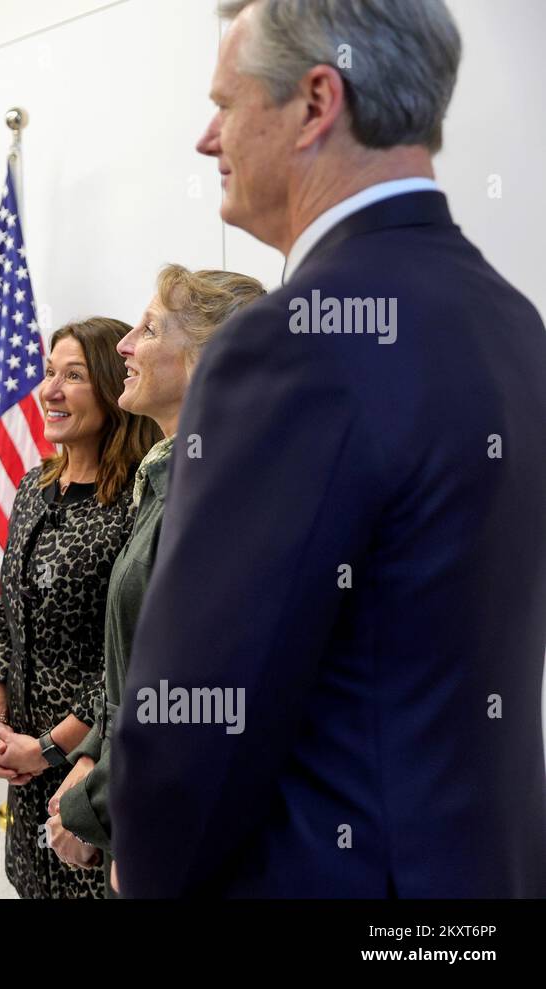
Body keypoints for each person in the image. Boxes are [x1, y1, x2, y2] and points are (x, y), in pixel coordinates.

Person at [111, 0, 546, 897]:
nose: (206, 138)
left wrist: (142, 868)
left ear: (316, 103)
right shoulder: (515, 322)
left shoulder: (287, 344)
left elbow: (198, 710)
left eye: (225, 104)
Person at [43, 267, 264, 894]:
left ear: (204, 360)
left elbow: (186, 695)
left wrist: (99, 808)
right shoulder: (170, 474)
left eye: (149, 329)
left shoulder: (215, 490)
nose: (125, 345)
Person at [0, 317, 158, 899]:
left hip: (91, 765)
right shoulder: (34, 486)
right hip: (23, 759)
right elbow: (5, 609)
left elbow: (132, 653)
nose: (50, 391)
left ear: (112, 388)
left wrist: (51, 748)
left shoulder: (137, 501)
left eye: (73, 376)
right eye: (49, 372)